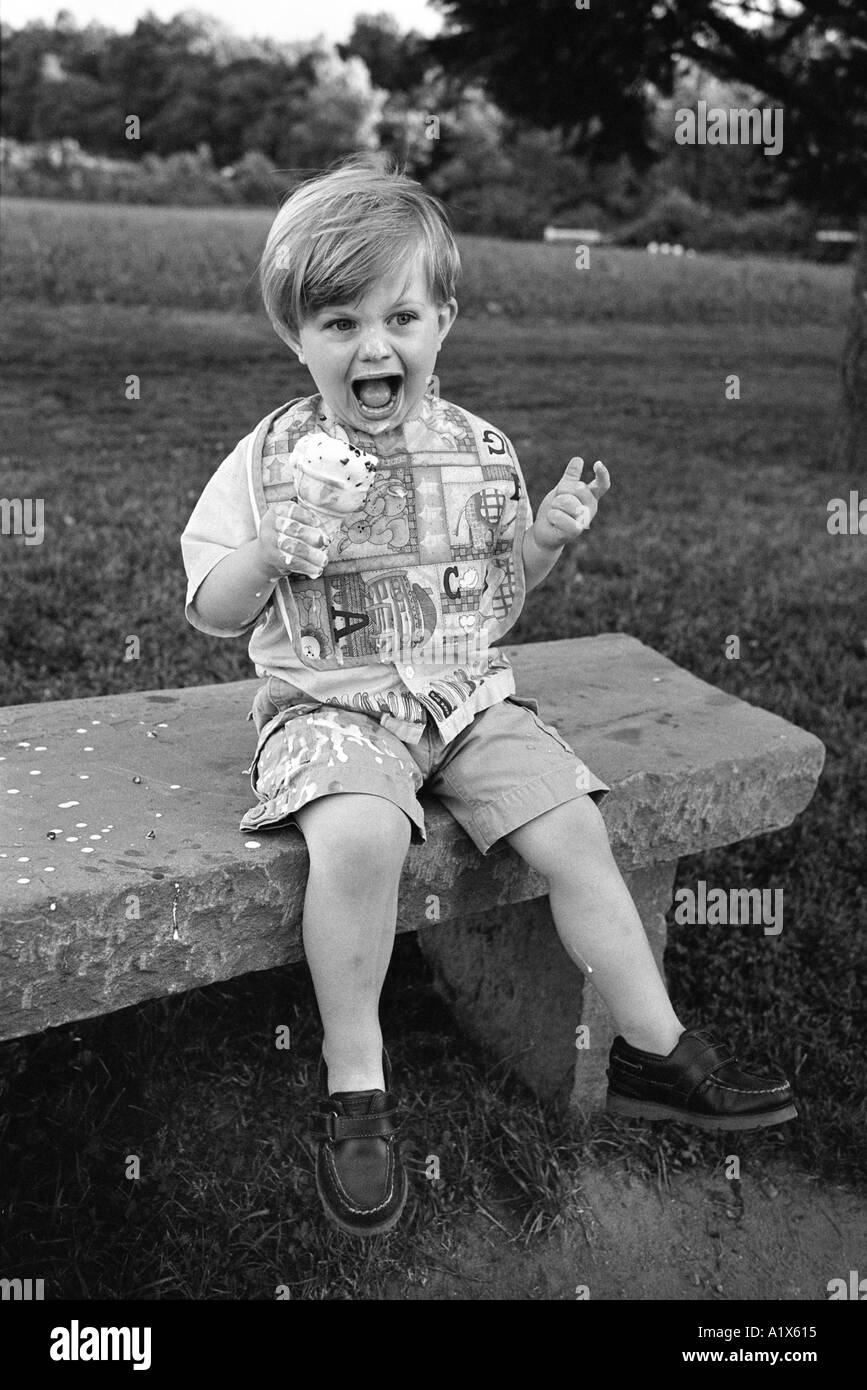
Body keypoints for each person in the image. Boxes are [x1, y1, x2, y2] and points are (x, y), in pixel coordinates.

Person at [181, 153, 796, 1239]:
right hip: (333, 706)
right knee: (363, 834)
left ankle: (655, 1047)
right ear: (296, 337)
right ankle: (356, 1081)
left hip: (462, 696)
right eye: (339, 322)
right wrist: (273, 547)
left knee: (571, 822)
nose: (375, 346)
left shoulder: (479, 451)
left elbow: (499, 588)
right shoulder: (268, 459)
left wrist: (545, 538)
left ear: (443, 321)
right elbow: (212, 610)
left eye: (402, 316)